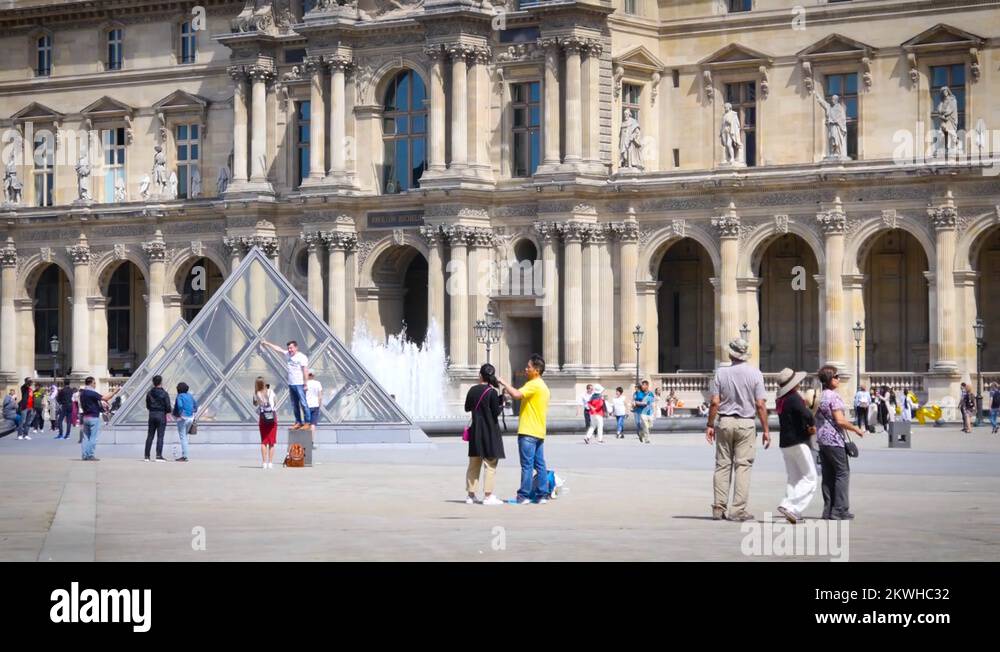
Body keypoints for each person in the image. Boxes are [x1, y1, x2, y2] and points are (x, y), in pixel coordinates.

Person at [705, 338, 770, 522]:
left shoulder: (721, 373)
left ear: (730, 354)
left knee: (722, 465)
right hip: (746, 423)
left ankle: (718, 507)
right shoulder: (755, 374)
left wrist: (710, 425)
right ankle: (737, 510)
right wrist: (766, 429)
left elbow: (715, 402)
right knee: (743, 466)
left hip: (724, 422)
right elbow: (760, 404)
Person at [498, 354, 550, 505]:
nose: (526, 369)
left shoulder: (533, 384)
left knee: (527, 465)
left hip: (528, 431)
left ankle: (523, 495)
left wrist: (503, 382)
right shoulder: (543, 386)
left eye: (529, 367)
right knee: (540, 464)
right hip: (539, 431)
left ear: (537, 370)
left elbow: (516, 394)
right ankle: (543, 494)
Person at [815, 366, 865, 520]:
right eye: (836, 376)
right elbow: (840, 420)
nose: (838, 379)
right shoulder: (834, 397)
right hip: (834, 439)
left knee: (828, 474)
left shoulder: (820, 396)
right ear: (830, 379)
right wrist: (856, 429)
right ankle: (840, 510)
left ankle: (828, 510)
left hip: (822, 439)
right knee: (842, 473)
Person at [774, 368, 817, 524]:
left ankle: (793, 511)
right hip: (798, 441)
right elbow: (806, 414)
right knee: (811, 478)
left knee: (794, 478)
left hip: (785, 443)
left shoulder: (781, 399)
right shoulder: (794, 398)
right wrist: (811, 424)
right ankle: (789, 506)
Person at [464, 363, 505, 505]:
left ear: (480, 375)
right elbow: (496, 412)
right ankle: (488, 496)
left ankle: (471, 495)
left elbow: (467, 408)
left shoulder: (472, 390)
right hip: (490, 431)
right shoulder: (492, 392)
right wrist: (501, 403)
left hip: (476, 431)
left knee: (474, 464)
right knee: (490, 464)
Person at [262, 339, 310, 430]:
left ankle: (307, 422)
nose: (290, 350)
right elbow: (278, 349)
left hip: (300, 384)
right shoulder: (287, 354)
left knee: (303, 403)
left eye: (291, 348)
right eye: (288, 348)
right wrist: (267, 343)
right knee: (294, 404)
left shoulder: (302, 357)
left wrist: (306, 384)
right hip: (291, 384)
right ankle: (298, 422)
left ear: (296, 347)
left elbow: (305, 371)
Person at [78, 377, 118, 461]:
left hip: (85, 417)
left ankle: (84, 455)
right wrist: (114, 392)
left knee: (85, 437)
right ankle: (90, 455)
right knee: (93, 437)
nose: (95, 384)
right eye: (94, 383)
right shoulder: (91, 393)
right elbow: (105, 398)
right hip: (93, 417)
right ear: (91, 383)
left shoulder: (82, 393)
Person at [144, 375, 171, 462]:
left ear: (153, 382)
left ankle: (147, 456)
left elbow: (147, 405)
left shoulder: (149, 393)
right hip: (161, 415)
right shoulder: (164, 393)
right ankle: (158, 456)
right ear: (161, 382)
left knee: (150, 435)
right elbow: (168, 407)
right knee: (160, 436)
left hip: (152, 414)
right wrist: (166, 411)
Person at [253, 377, 278, 469]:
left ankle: (264, 463)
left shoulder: (257, 393)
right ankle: (270, 463)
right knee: (271, 442)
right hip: (272, 417)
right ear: (265, 383)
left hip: (263, 418)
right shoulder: (270, 391)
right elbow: (275, 402)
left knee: (264, 441)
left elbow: (255, 404)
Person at [172, 382, 198, 462]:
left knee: (183, 437)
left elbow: (179, 406)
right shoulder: (190, 395)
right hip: (190, 418)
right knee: (185, 436)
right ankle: (185, 455)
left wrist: (180, 414)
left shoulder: (180, 396)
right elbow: (195, 405)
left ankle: (184, 456)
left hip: (183, 418)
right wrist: (192, 410)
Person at [305, 371, 323, 437]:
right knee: (313, 424)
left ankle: (306, 440)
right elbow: (320, 396)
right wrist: (319, 405)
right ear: (314, 375)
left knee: (307, 423)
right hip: (315, 405)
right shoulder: (318, 383)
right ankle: (311, 441)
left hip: (307, 405)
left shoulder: (305, 383)